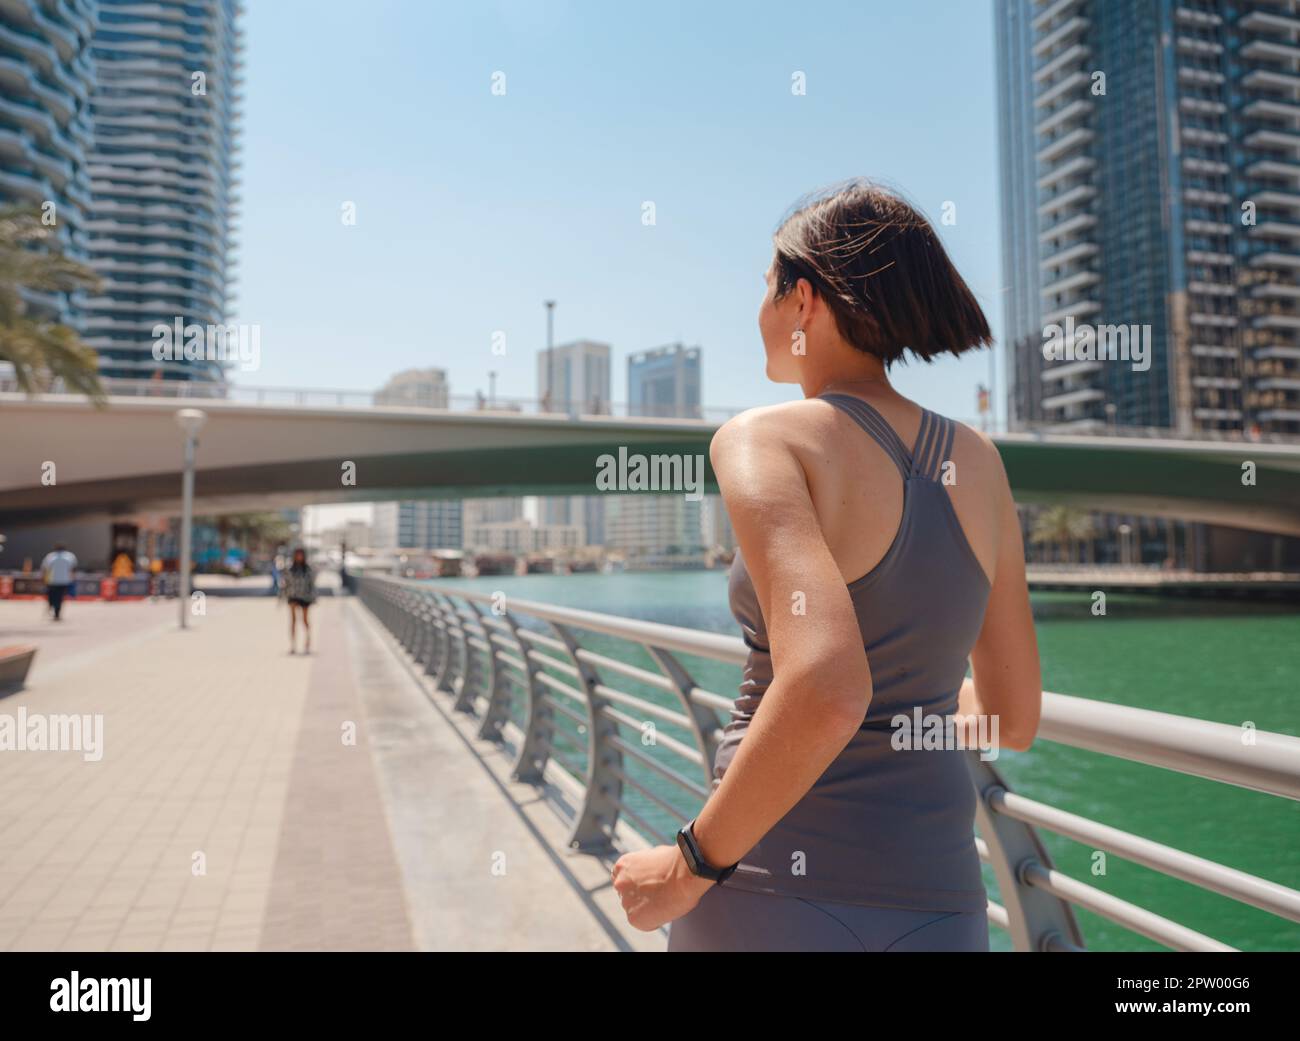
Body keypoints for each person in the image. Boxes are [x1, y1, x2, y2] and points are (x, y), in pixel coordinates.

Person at [611, 179, 1042, 952]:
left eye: (766, 291)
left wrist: (684, 869)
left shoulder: (764, 439)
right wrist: (912, 710)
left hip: (769, 895)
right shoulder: (979, 462)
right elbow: (1014, 713)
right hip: (943, 907)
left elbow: (828, 686)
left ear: (803, 299)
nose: (759, 314)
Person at [279, 547, 316, 654]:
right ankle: (293, 645)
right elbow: (285, 585)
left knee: (305, 620)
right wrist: (282, 597)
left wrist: (313, 598)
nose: (299, 557)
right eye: (297, 554)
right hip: (293, 596)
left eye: (301, 555)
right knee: (293, 621)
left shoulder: (308, 570)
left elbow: (312, 585)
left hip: (305, 597)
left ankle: (307, 642)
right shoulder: (290, 569)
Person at [40, 543, 78, 622]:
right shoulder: (70, 556)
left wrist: (43, 578)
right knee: (60, 598)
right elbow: (73, 568)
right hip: (64, 580)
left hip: (52, 580)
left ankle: (52, 607)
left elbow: (44, 568)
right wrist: (73, 578)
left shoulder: (50, 556)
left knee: (52, 596)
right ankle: (56, 612)